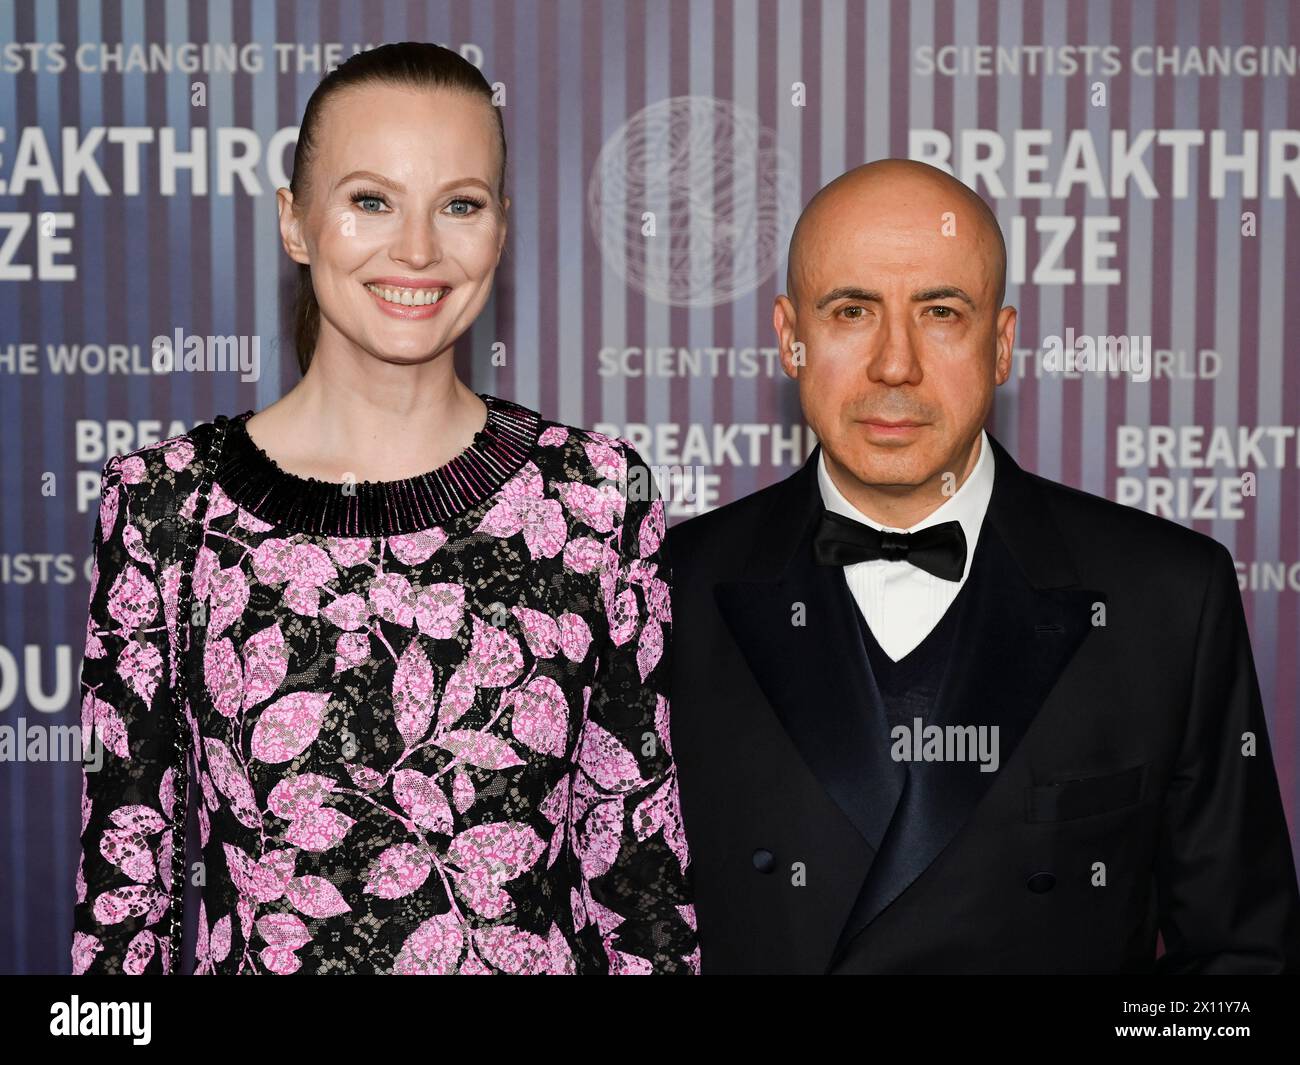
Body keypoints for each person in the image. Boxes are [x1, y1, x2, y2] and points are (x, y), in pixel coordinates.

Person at [71, 42, 697, 975]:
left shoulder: (595, 499)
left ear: (500, 229)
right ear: (295, 223)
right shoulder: (166, 508)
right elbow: (124, 911)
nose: (417, 249)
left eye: (460, 205)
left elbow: (641, 898)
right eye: (371, 200)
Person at [666, 158, 1300, 974]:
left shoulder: (1169, 598)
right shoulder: (663, 590)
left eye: (940, 312)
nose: (896, 364)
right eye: (852, 310)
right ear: (792, 337)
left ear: (1000, 345)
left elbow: (1243, 966)